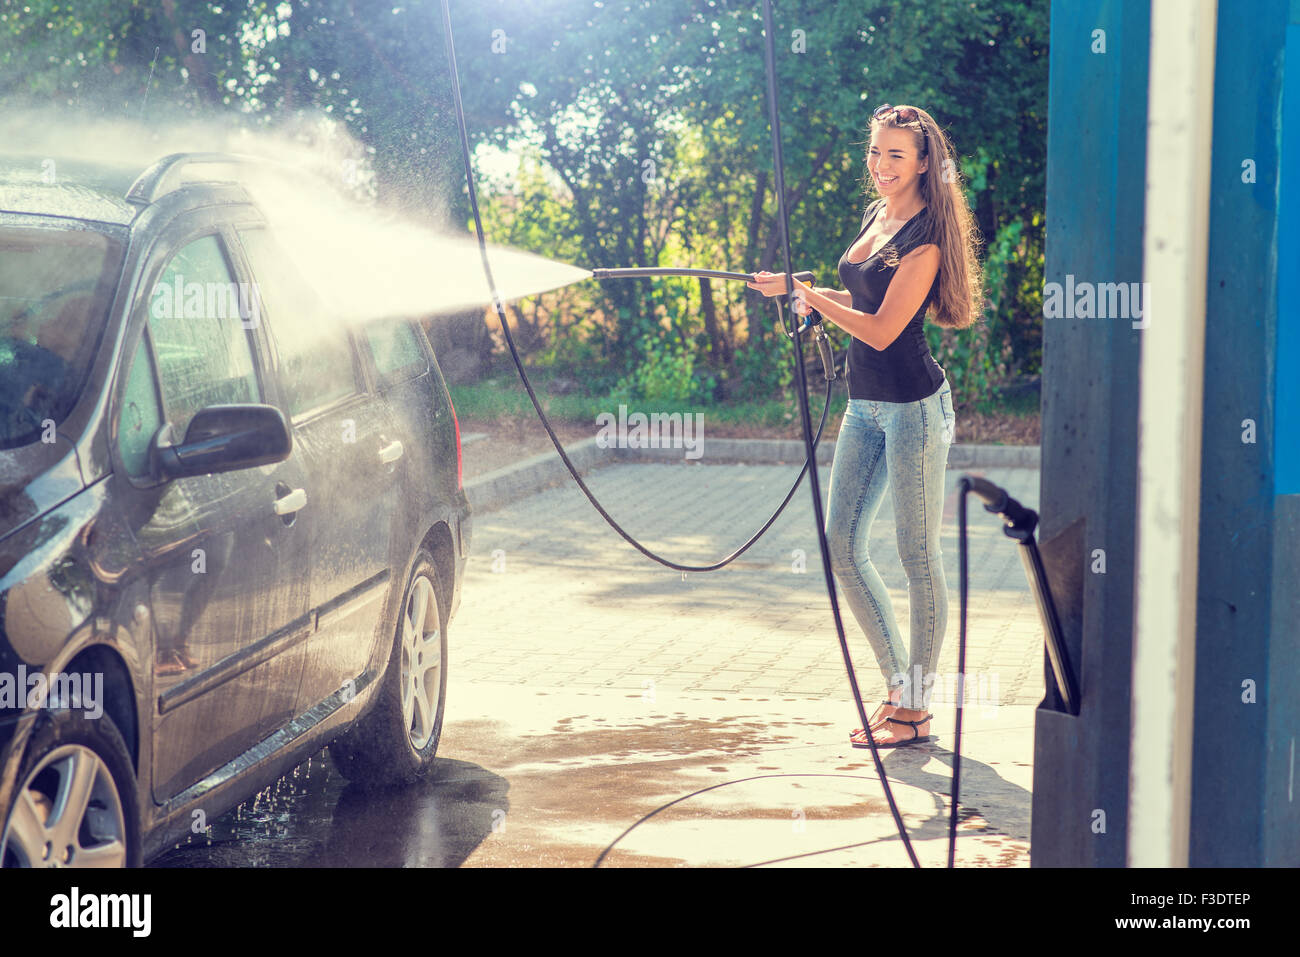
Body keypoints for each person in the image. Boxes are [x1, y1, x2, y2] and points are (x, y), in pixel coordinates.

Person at [748, 103, 983, 747]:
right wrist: (799, 288)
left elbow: (882, 332)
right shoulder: (879, 217)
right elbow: (867, 300)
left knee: (916, 554)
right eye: (875, 153)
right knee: (842, 546)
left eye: (895, 156)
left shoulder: (927, 241)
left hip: (913, 408)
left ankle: (917, 709)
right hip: (865, 407)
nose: (880, 166)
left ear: (925, 162)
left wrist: (815, 300)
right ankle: (897, 691)